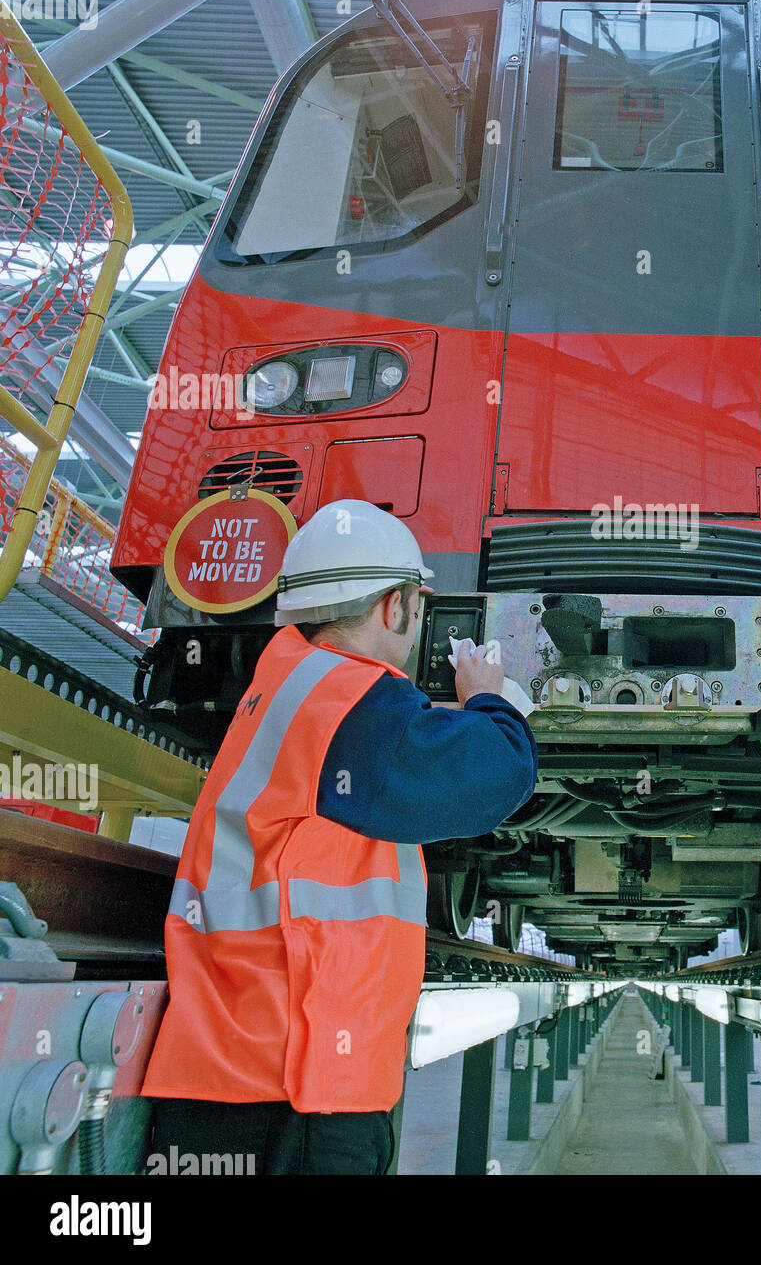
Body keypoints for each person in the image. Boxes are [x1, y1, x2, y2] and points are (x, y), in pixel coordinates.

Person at [144, 499, 537, 1175]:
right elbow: (494, 775)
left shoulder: (290, 688)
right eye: (416, 604)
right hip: (293, 1088)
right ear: (395, 607)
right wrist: (487, 698)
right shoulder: (341, 699)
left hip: (239, 1070)